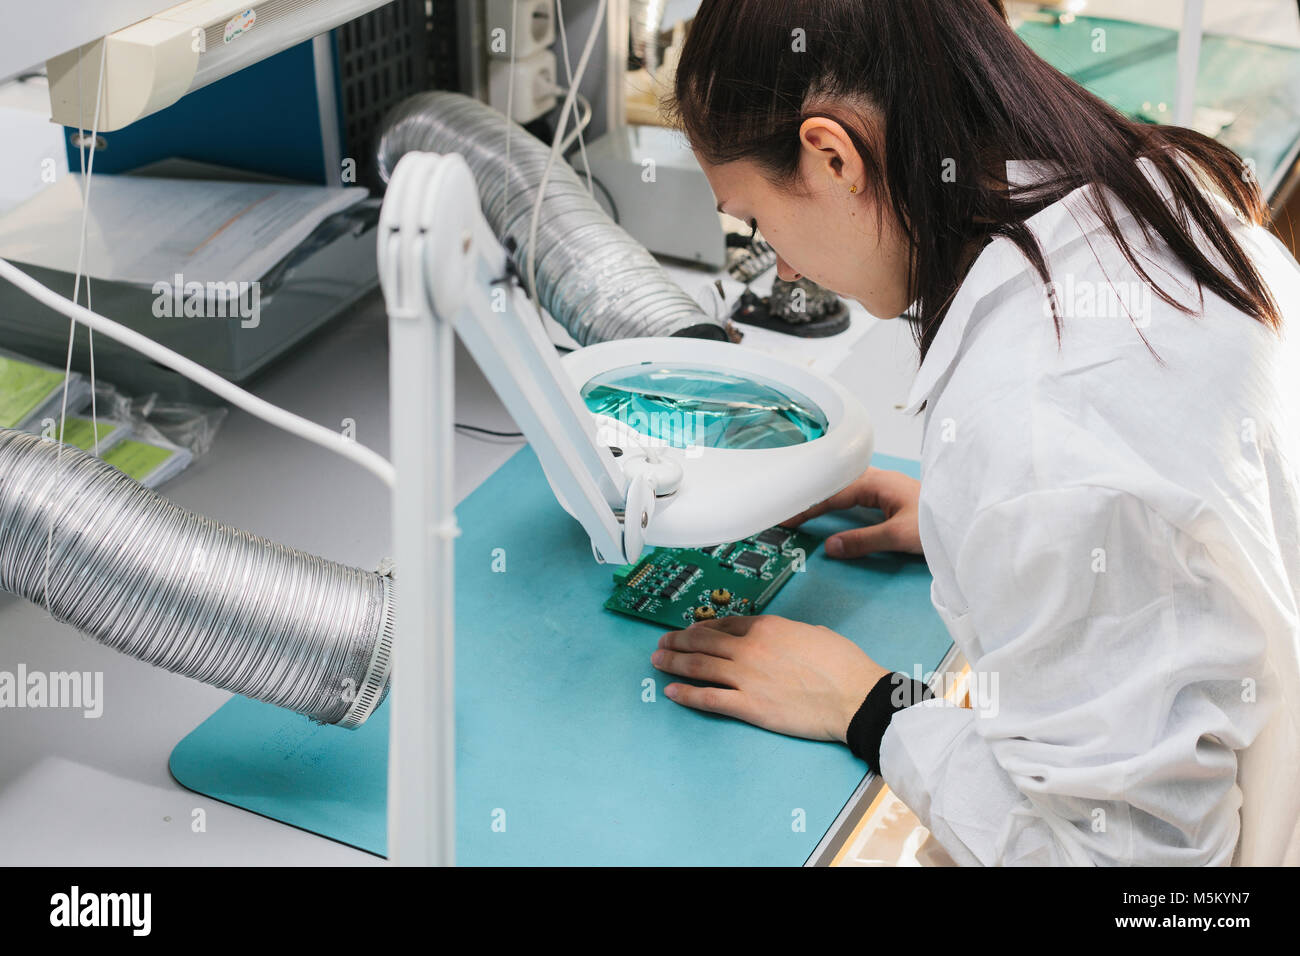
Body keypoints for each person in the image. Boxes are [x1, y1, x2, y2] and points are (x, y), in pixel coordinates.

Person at [649, 0, 1300, 866]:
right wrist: (987, 529)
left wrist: (875, 708)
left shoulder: (1036, 434)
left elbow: (1147, 882)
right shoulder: (1165, 187)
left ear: (833, 155)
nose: (785, 267)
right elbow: (1173, 492)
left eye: (758, 223)